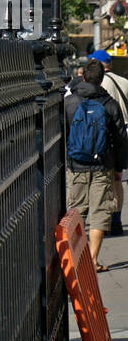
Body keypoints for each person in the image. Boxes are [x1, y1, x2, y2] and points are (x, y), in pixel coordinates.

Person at [64, 58, 128, 271]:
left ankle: (75, 258)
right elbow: (120, 139)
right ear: (101, 79)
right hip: (103, 165)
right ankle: (92, 259)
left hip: (76, 164)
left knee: (77, 211)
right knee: (100, 212)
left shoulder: (70, 102)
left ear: (83, 76)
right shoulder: (109, 104)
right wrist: (119, 168)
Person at [88, 48, 128, 235]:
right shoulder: (124, 82)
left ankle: (104, 219)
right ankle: (117, 219)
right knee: (118, 178)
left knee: (103, 178)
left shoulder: (99, 82)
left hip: (107, 133)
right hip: (125, 131)